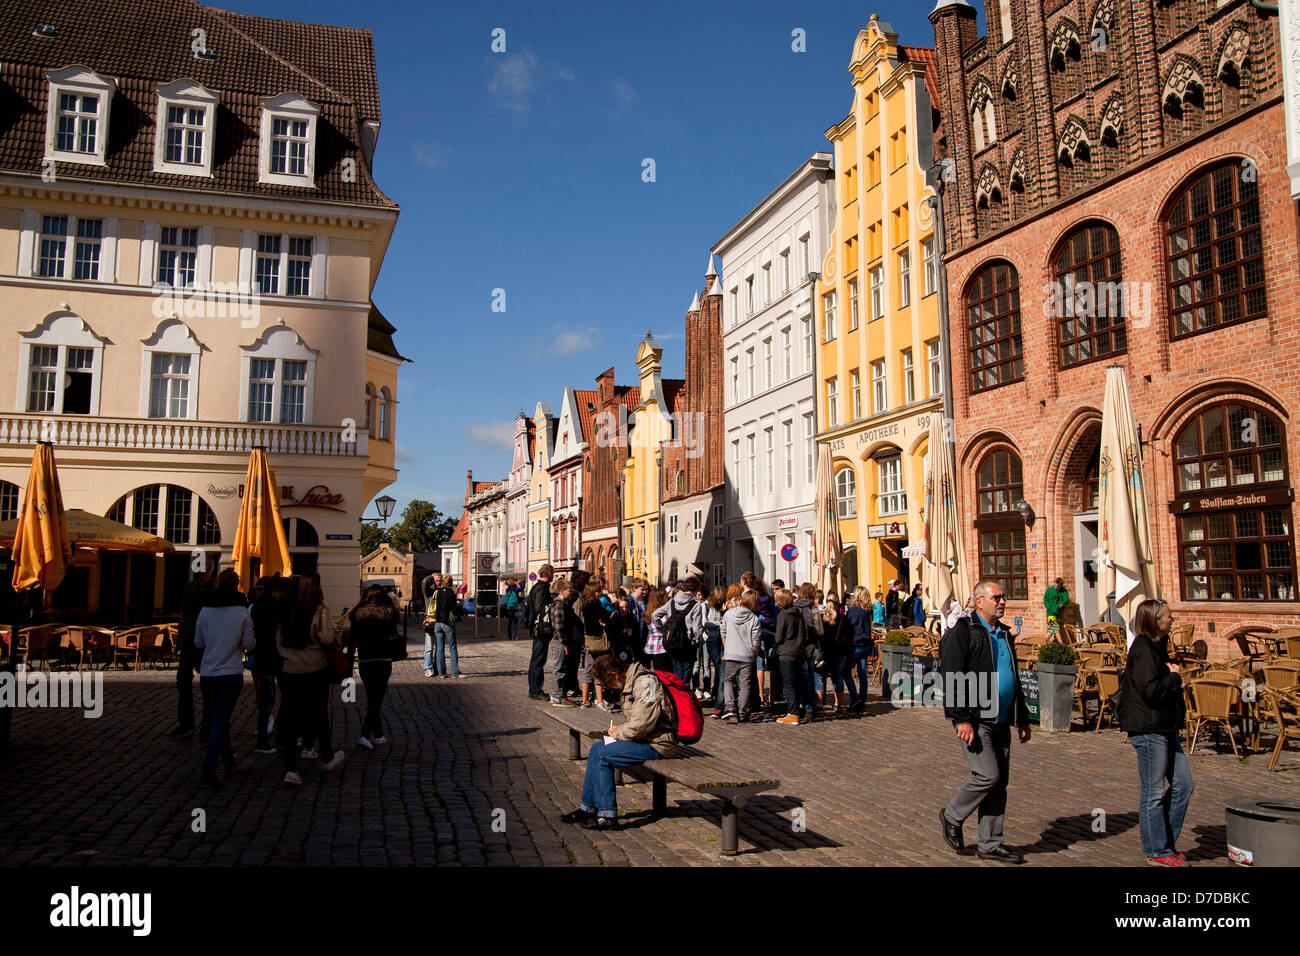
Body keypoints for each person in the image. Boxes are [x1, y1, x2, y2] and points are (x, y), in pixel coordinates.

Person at [938, 579, 1031, 864]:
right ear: (979, 602)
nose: (1002, 602)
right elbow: (952, 676)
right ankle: (952, 814)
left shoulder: (1003, 633)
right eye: (997, 598)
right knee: (987, 775)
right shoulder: (964, 632)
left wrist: (1023, 717)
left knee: (999, 781)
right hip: (977, 719)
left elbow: (1013, 677)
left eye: (1003, 597)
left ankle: (990, 843)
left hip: (1003, 718)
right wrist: (961, 719)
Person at [559, 654, 681, 830]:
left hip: (659, 742)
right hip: (645, 738)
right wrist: (620, 730)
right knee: (596, 749)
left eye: (607, 683)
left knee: (603, 756)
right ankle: (588, 807)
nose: (609, 687)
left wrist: (619, 733)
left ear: (615, 675)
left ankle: (608, 815)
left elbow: (642, 724)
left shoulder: (645, 682)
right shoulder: (633, 681)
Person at [1119, 599, 1193, 867]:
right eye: (1168, 616)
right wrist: (1174, 677)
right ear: (1154, 620)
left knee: (1184, 785)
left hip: (1165, 725)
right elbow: (1150, 689)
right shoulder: (1143, 649)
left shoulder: (1158, 646)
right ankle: (1157, 850)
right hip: (1149, 728)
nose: (1172, 620)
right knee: (1152, 791)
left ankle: (1164, 841)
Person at [276, 572, 344, 785]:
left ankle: (291, 768)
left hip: (289, 670)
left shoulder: (285, 610)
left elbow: (277, 642)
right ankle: (326, 755)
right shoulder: (319, 610)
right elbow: (326, 638)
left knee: (290, 716)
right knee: (318, 713)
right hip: (315, 668)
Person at [193, 569, 254, 786]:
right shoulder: (241, 612)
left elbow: (198, 642)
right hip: (230, 674)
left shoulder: (206, 611)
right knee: (219, 720)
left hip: (208, 673)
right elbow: (250, 643)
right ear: (237, 585)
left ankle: (228, 760)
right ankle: (208, 769)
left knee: (217, 718)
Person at [349, 584, 399, 749]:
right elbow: (393, 635)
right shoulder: (387, 612)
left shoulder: (357, 613)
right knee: (376, 699)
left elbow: (352, 638)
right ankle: (365, 734)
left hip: (365, 659)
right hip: (383, 659)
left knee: (373, 697)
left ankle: (379, 735)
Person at [169, 562, 214, 736]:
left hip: (207, 642)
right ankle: (186, 722)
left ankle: (207, 724)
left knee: (208, 684)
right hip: (189, 640)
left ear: (210, 566)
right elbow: (184, 614)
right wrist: (179, 639)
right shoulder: (190, 587)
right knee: (183, 681)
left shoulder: (214, 587)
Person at [248, 576, 286, 754]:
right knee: (279, 698)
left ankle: (264, 737)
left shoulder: (256, 607)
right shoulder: (277, 607)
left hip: (261, 655)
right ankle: (278, 737)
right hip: (275, 656)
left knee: (265, 701)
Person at [719, 589, 760, 722]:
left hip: (731, 654)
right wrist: (755, 654)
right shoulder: (754, 618)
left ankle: (730, 707)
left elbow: (723, 631)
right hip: (747, 655)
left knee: (728, 680)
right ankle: (742, 712)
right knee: (745, 685)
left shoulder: (729, 614)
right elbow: (756, 640)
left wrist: (727, 648)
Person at [651, 575, 699, 683]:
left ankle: (675, 696)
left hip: (673, 641)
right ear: (695, 590)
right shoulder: (696, 606)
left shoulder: (672, 602)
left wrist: (662, 630)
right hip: (688, 643)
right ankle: (682, 697)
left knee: (676, 671)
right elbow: (697, 629)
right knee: (686, 674)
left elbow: (655, 615)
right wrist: (698, 642)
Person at [774, 588, 811, 726]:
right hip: (799, 651)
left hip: (786, 652)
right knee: (797, 682)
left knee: (789, 683)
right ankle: (798, 708)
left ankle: (793, 713)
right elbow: (803, 633)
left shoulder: (783, 615)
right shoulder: (798, 614)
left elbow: (778, 637)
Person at [820, 592, 857, 714]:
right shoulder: (843, 618)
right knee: (838, 677)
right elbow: (850, 636)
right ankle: (838, 703)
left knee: (822, 677)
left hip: (827, 651)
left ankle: (820, 702)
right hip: (841, 652)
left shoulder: (822, 617)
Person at [545, 578, 577, 706]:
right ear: (562, 591)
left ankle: (559, 695)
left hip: (560, 641)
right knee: (559, 669)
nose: (571, 592)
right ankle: (557, 697)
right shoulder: (558, 605)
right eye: (570, 590)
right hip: (559, 642)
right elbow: (559, 626)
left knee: (561, 668)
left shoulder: (562, 604)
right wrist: (564, 643)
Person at [525, 565, 554, 700]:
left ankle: (534, 689)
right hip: (541, 629)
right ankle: (535, 690)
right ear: (549, 574)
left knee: (536, 659)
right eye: (552, 573)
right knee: (538, 660)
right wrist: (545, 625)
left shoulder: (536, 587)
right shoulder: (542, 589)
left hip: (537, 628)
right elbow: (540, 609)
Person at [846, 586, 874, 710]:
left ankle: (854, 697)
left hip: (855, 645)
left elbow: (849, 626)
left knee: (846, 672)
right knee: (862, 672)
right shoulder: (868, 610)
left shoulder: (853, 611)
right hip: (866, 644)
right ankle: (862, 698)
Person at [430, 575, 464, 678]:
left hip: (438, 622)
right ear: (451, 583)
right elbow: (454, 610)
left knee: (439, 648)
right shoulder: (451, 594)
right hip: (448, 623)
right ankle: (455, 672)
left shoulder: (438, 592)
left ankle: (441, 672)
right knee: (452, 647)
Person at [421, 571, 443, 677]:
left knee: (439, 647)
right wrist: (432, 576)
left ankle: (437, 667)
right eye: (436, 581)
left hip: (439, 622)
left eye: (440, 581)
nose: (438, 582)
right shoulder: (428, 592)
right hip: (430, 621)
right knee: (429, 647)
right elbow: (424, 582)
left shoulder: (442, 592)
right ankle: (428, 668)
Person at [642, 588, 671, 670]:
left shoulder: (649, 612)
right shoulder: (662, 613)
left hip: (650, 645)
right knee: (661, 674)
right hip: (661, 646)